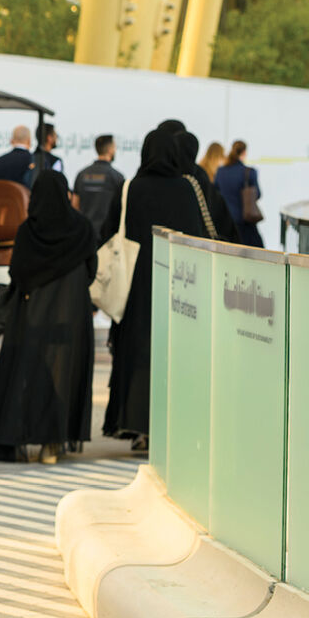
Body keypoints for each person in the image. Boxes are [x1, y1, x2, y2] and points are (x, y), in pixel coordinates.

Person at [105, 125, 220, 451]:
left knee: (140, 354)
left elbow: (109, 231)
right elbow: (202, 236)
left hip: (136, 286)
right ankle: (176, 426)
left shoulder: (130, 188)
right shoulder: (188, 188)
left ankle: (139, 428)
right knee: (176, 353)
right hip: (180, 284)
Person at [0, 170, 100, 464]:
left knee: (29, 375)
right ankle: (54, 443)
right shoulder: (83, 229)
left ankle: (22, 436)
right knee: (65, 376)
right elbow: (91, 272)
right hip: (72, 316)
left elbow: (17, 272)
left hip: (32, 315)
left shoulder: (28, 232)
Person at [214, 140, 264, 248]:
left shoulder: (220, 171)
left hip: (225, 223)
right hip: (244, 223)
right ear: (244, 152)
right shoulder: (249, 172)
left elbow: (216, 192)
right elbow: (258, 194)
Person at [73, 135, 125, 234]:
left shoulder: (81, 175)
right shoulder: (117, 177)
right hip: (107, 236)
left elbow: (75, 205)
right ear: (110, 149)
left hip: (85, 234)